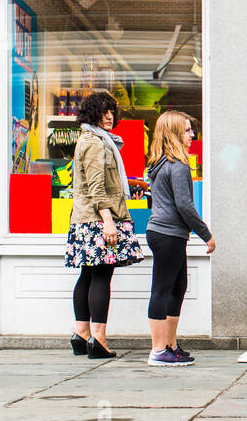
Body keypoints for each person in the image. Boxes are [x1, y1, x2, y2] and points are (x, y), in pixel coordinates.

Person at [64, 91, 144, 358]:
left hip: (85, 218)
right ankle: (98, 339)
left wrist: (127, 186)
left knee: (87, 274)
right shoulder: (97, 143)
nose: (109, 116)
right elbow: (96, 187)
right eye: (103, 111)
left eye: (112, 111)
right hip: (98, 220)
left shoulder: (89, 140)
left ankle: (82, 334)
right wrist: (109, 221)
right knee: (101, 275)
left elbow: (97, 183)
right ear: (92, 113)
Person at [144, 110, 215, 366]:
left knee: (177, 287)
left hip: (163, 232)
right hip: (168, 233)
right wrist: (206, 234)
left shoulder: (161, 163)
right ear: (173, 133)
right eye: (186, 130)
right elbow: (184, 205)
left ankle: (170, 344)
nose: (191, 135)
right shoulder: (178, 165)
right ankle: (158, 349)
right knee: (163, 289)